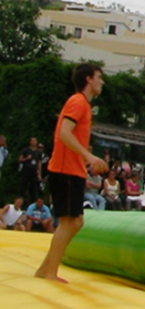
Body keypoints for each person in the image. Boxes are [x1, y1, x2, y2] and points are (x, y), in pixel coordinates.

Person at [35, 63, 108, 281]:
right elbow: (64, 133)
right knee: (70, 222)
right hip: (65, 170)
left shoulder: (83, 105)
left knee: (75, 221)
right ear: (88, 79)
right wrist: (89, 156)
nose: (101, 82)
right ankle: (49, 272)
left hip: (71, 170)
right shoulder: (78, 102)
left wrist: (85, 161)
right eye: (99, 77)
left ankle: (45, 269)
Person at [18, 136, 43, 204]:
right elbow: (20, 159)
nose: (33, 142)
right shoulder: (26, 150)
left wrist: (39, 174)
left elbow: (39, 163)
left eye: (35, 141)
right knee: (23, 187)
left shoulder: (38, 152)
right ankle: (20, 202)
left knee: (33, 189)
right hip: (26, 170)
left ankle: (31, 204)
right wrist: (26, 158)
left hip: (34, 171)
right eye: (32, 141)